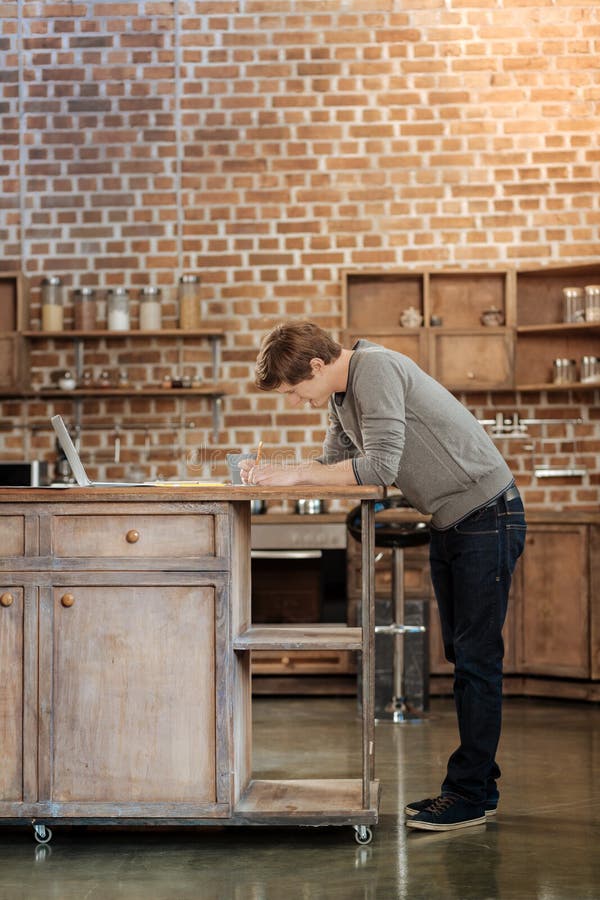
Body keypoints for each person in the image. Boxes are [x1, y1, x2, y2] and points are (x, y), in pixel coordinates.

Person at [240, 320, 527, 833]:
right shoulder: (340, 394)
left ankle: (467, 792)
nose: (298, 401)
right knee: (463, 657)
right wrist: (272, 473)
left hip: (488, 515)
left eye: (295, 390)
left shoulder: (375, 369)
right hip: (454, 521)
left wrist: (295, 473)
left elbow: (379, 466)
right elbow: (333, 462)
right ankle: (477, 788)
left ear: (317, 365)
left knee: (477, 660)